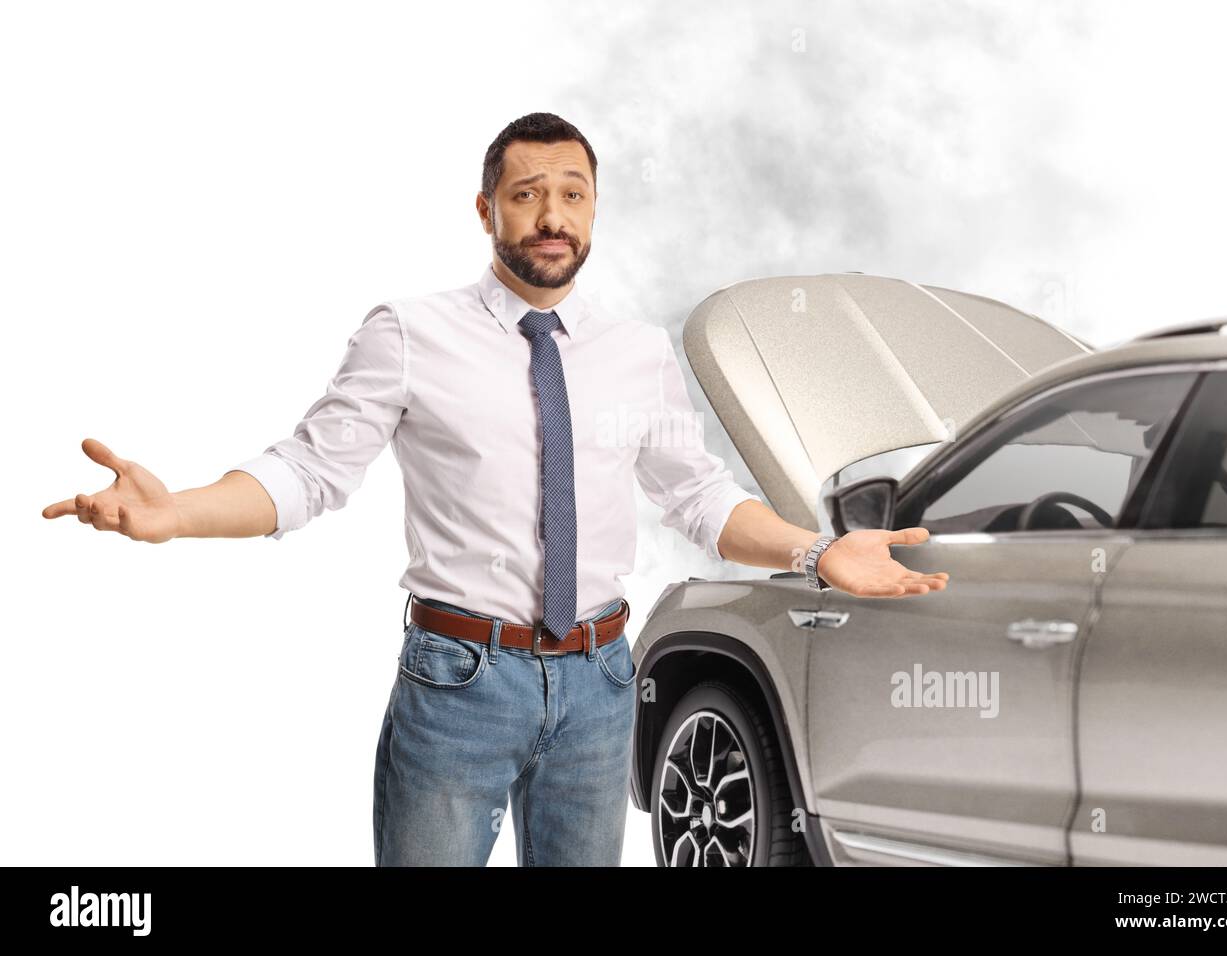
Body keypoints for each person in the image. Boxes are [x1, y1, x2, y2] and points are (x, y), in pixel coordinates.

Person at [41, 111, 949, 866]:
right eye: (527, 196)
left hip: (600, 683)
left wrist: (817, 550)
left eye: (571, 195)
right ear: (487, 211)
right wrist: (177, 514)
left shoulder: (635, 353)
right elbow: (311, 472)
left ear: (594, 211)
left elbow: (701, 499)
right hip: (459, 684)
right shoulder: (408, 333)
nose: (551, 216)